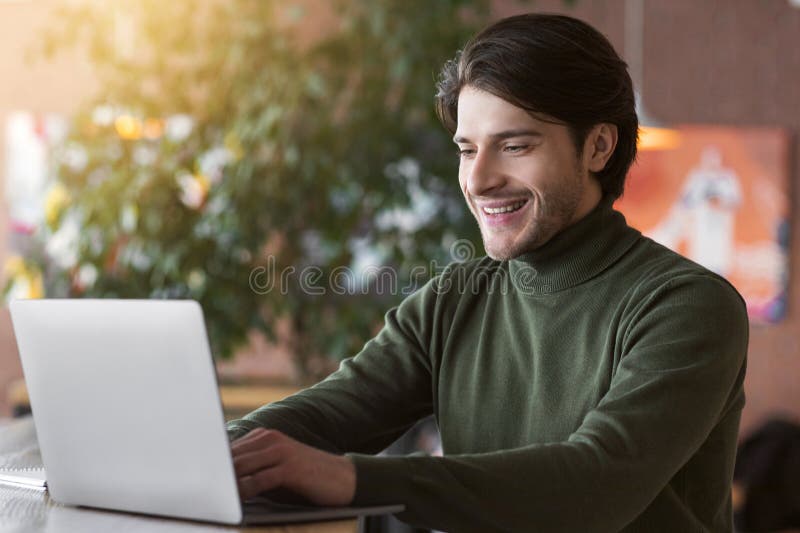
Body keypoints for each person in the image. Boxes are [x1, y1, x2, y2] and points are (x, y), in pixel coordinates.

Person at [227, 14, 748, 532]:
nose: (478, 180)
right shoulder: (453, 300)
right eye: (467, 150)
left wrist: (354, 480)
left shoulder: (687, 306)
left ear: (598, 147)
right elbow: (327, 413)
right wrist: (218, 450)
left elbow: (594, 485)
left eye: (514, 146)